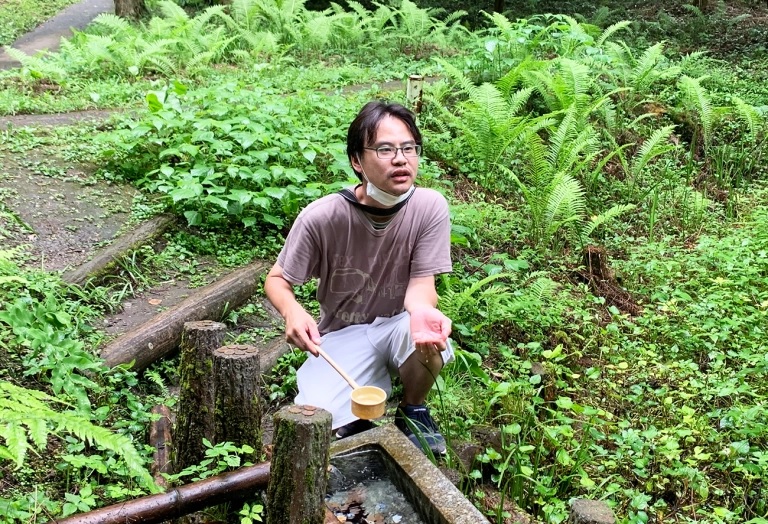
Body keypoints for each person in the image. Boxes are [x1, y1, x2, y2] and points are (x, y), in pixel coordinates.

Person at [264, 100, 454, 454]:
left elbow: (420, 290)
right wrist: (292, 311)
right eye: (384, 149)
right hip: (342, 334)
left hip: (399, 322)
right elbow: (277, 280)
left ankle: (414, 408)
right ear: (356, 160)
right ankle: (356, 414)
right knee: (319, 417)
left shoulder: (429, 207)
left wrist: (425, 315)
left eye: (409, 148)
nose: (400, 159)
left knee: (425, 339)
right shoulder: (323, 217)